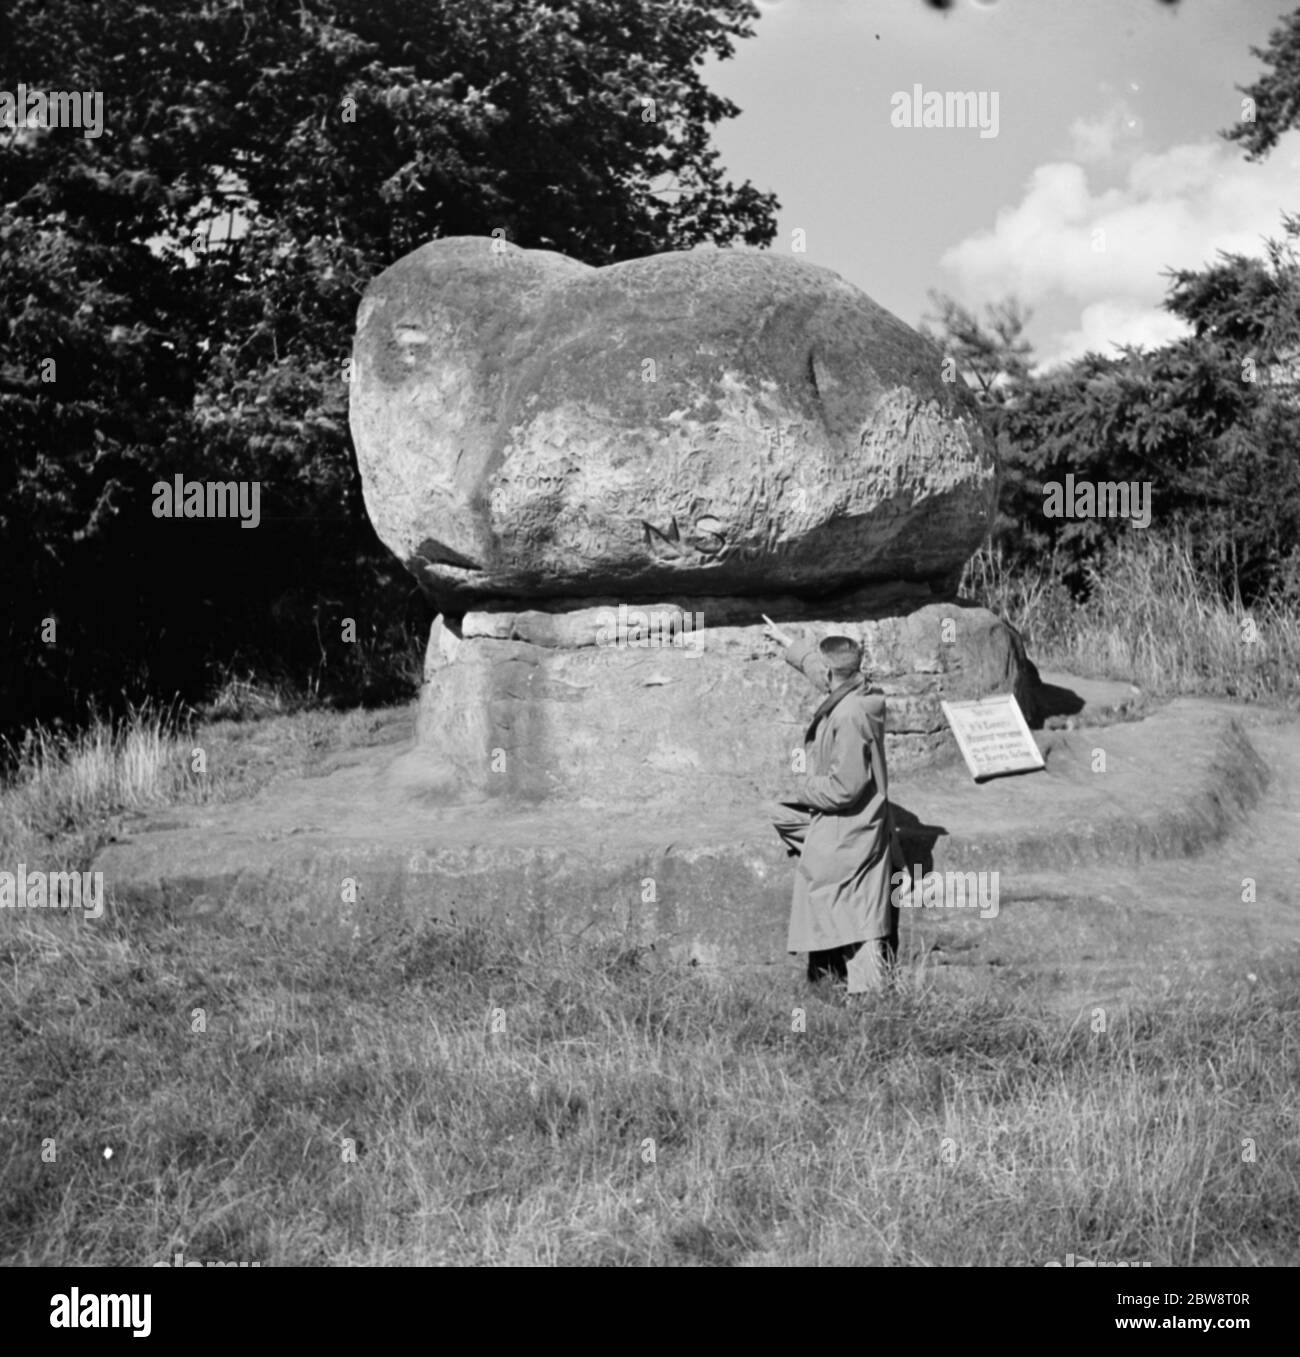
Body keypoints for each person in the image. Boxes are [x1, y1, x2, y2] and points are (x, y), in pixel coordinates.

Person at [763, 618, 907, 995]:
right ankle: (821, 848)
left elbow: (845, 789)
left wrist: (805, 786)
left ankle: (868, 997)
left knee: (856, 905)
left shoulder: (850, 715)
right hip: (850, 817)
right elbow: (824, 674)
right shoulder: (856, 689)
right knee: (779, 812)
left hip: (854, 823)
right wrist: (790, 644)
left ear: (833, 671)